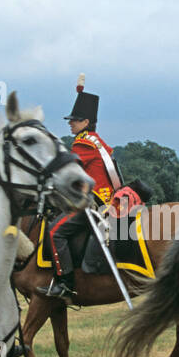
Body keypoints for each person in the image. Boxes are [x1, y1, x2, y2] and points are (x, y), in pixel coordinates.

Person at [38, 75, 122, 300]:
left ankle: (64, 282)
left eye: (74, 120)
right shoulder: (98, 141)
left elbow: (68, 171)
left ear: (86, 122)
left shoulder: (82, 142)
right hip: (110, 199)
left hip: (94, 203)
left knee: (55, 232)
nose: (70, 123)